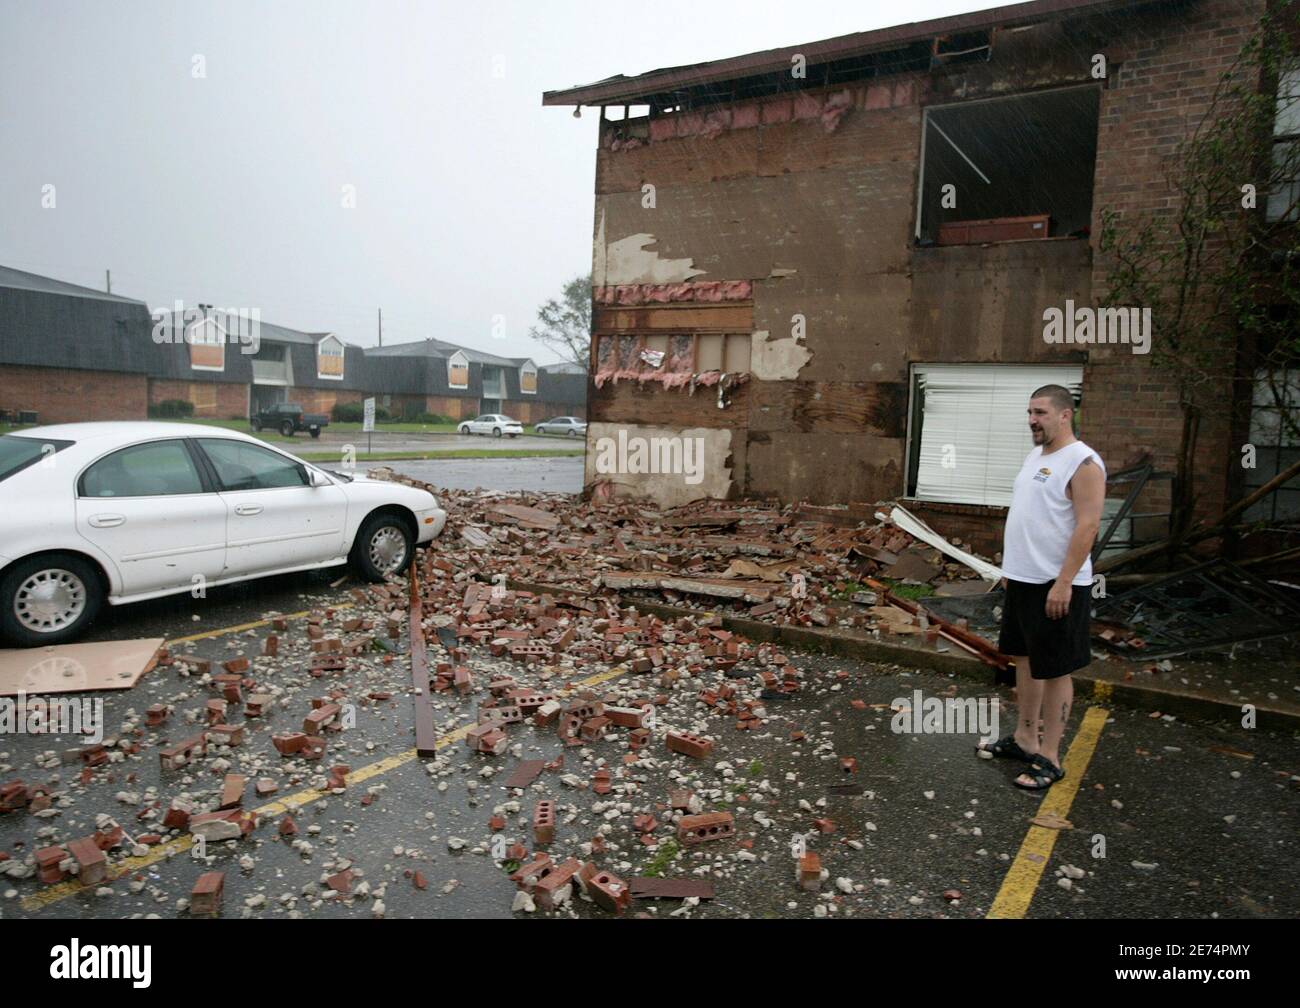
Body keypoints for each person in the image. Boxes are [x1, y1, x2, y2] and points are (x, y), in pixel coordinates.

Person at [977, 384, 1105, 791]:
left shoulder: (1083, 462)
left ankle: (1049, 757)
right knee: (1024, 660)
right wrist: (1010, 569)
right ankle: (1024, 739)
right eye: (1030, 412)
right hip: (1024, 580)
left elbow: (1088, 526)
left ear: (1065, 414)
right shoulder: (1036, 455)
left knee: (1056, 668)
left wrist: (1064, 582)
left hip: (1057, 585)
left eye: (1041, 413)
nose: (1032, 420)